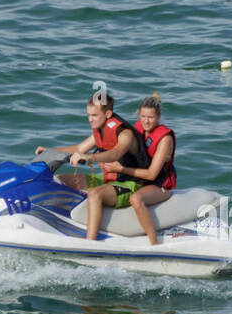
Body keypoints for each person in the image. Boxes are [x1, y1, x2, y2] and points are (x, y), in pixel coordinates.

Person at [35, 92, 151, 240]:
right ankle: (59, 224)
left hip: (131, 184)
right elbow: (78, 149)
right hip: (108, 179)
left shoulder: (125, 133)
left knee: (95, 194)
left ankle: (90, 243)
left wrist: (90, 157)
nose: (90, 119)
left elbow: (116, 153)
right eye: (88, 115)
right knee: (59, 179)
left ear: (108, 113)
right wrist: (49, 151)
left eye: (95, 115)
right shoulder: (100, 131)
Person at [98, 93, 176, 245]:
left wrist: (121, 169)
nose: (146, 121)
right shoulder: (138, 128)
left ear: (158, 116)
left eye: (151, 117)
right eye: (143, 116)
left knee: (136, 199)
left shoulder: (165, 139)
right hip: (138, 180)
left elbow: (153, 174)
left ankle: (154, 243)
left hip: (160, 184)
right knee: (104, 185)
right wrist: (106, 162)